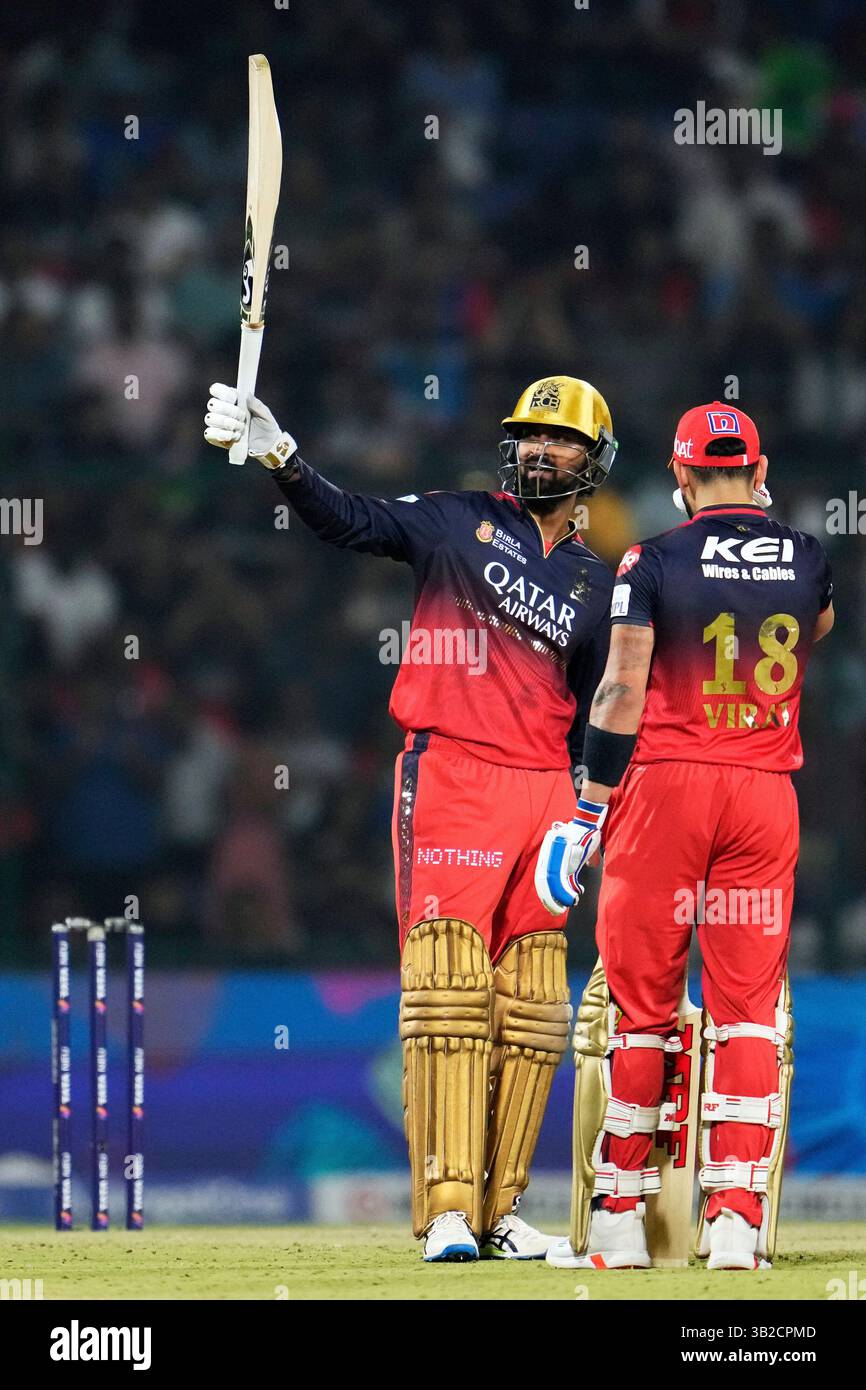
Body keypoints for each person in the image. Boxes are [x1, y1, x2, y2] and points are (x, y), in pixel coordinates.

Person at [205, 374, 616, 1261]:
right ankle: (446, 1213)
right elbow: (351, 518)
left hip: (547, 790)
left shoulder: (597, 582)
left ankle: (501, 1211)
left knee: (535, 1007)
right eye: (528, 437)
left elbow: (599, 715)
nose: (539, 451)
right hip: (453, 776)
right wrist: (281, 455)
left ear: (594, 462)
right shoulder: (451, 519)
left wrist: (589, 814)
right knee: (447, 994)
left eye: (559, 442)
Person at [535, 402, 834, 1271]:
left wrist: (588, 809)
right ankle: (735, 1222)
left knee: (642, 1008)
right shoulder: (809, 556)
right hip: (765, 792)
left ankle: (623, 1220)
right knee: (746, 1012)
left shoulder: (651, 559)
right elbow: (813, 633)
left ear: (680, 476)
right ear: (760, 466)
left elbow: (621, 688)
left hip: (666, 792)